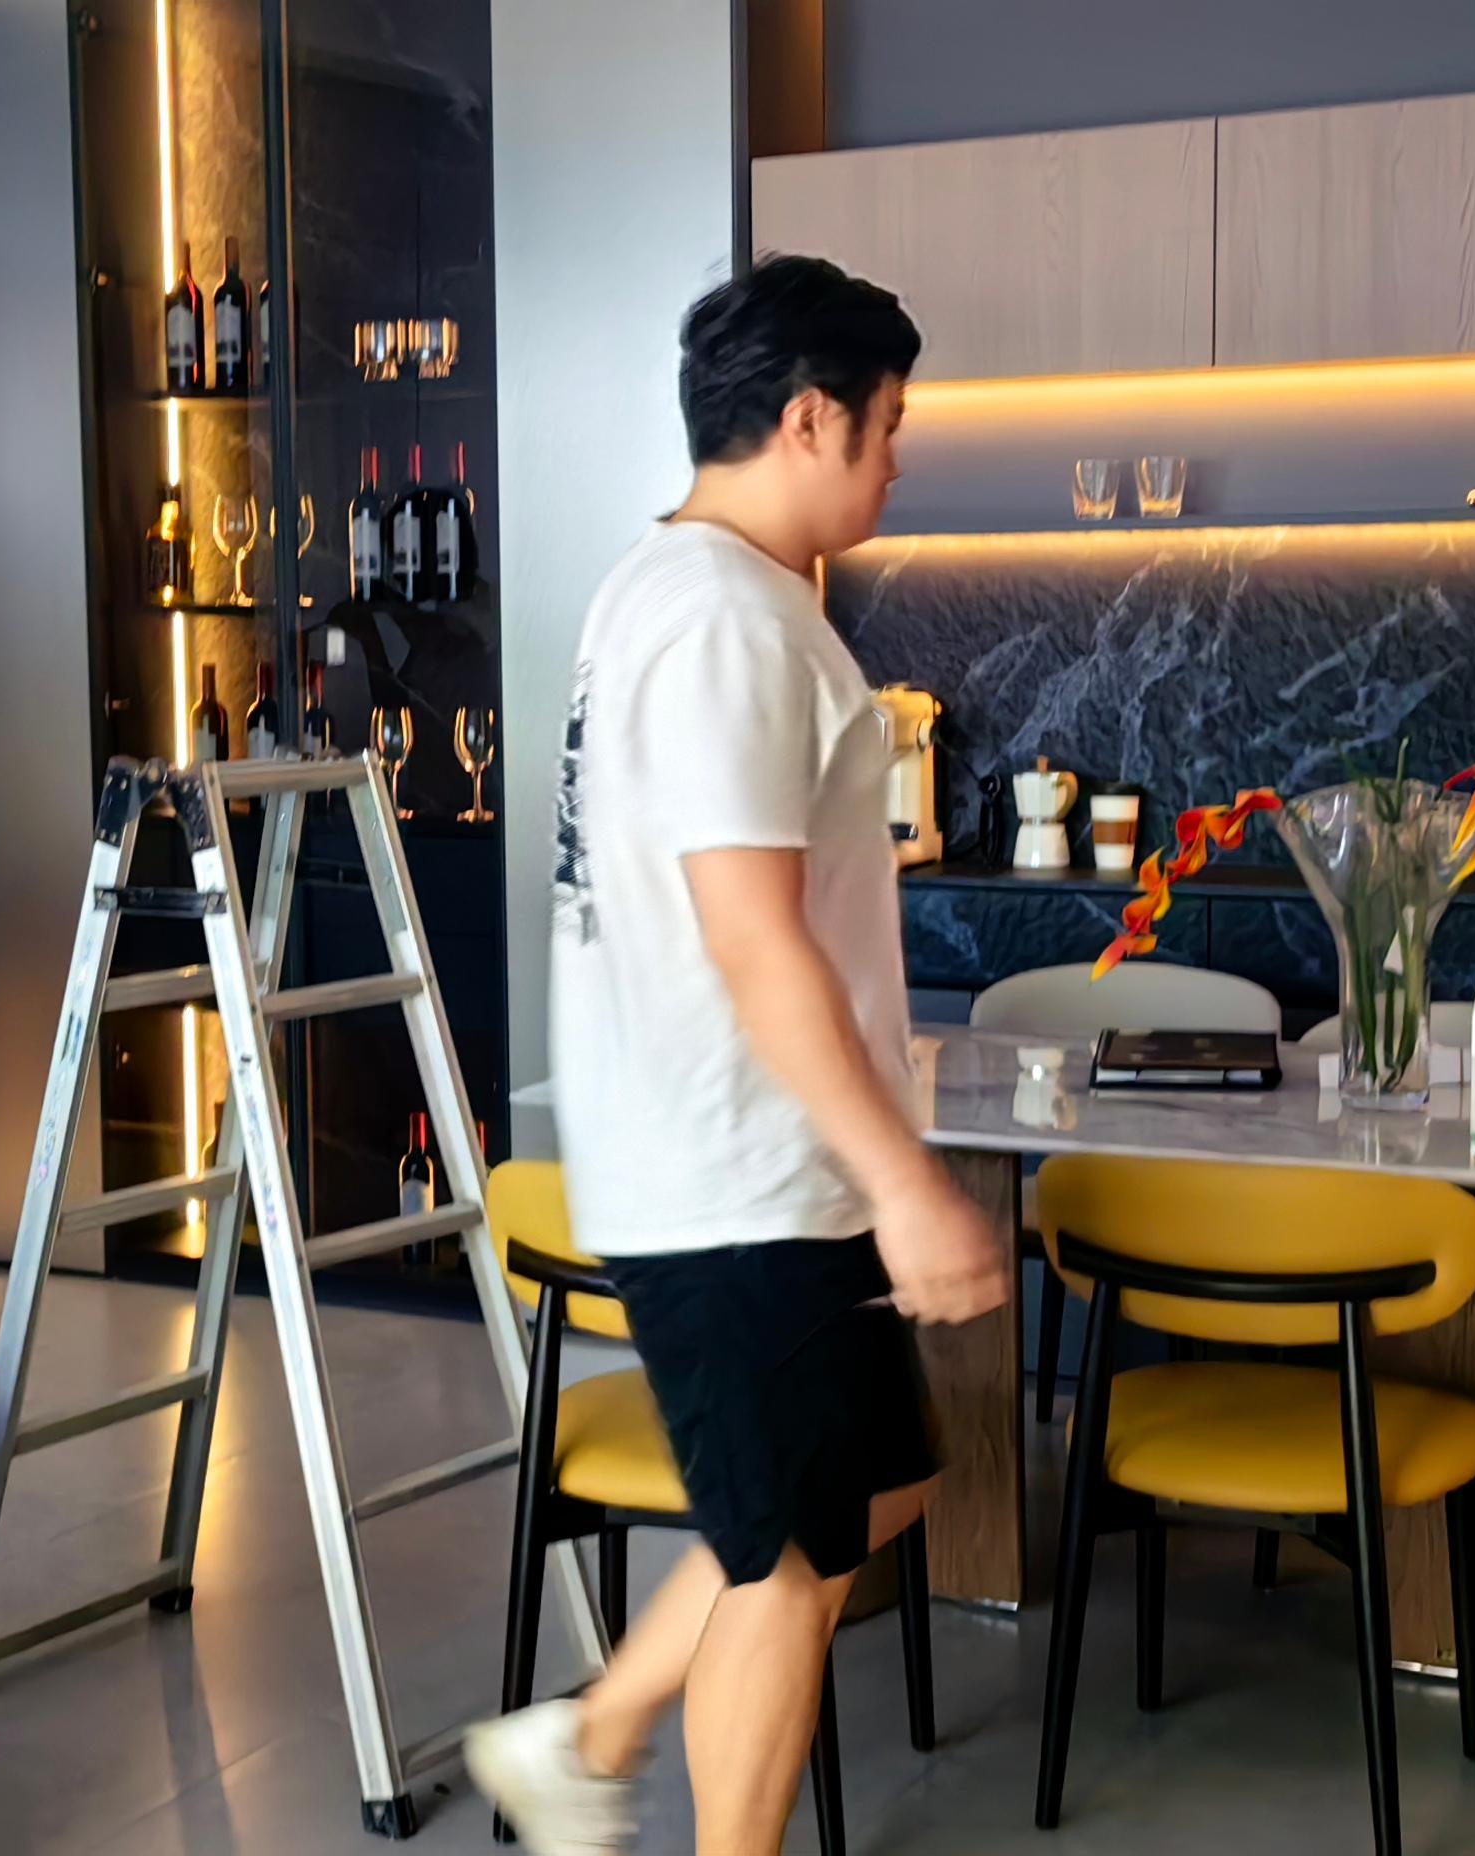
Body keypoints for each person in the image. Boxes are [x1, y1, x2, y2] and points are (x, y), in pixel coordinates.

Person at [465, 258, 1003, 1855]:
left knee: (872, 1491)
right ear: (811, 417)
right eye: (889, 427)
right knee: (788, 1561)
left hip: (737, 1160)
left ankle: (589, 1731)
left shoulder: (681, 590)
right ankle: (618, 1762)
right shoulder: (728, 621)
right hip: (733, 1170)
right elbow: (752, 938)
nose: (897, 463)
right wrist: (906, 1183)